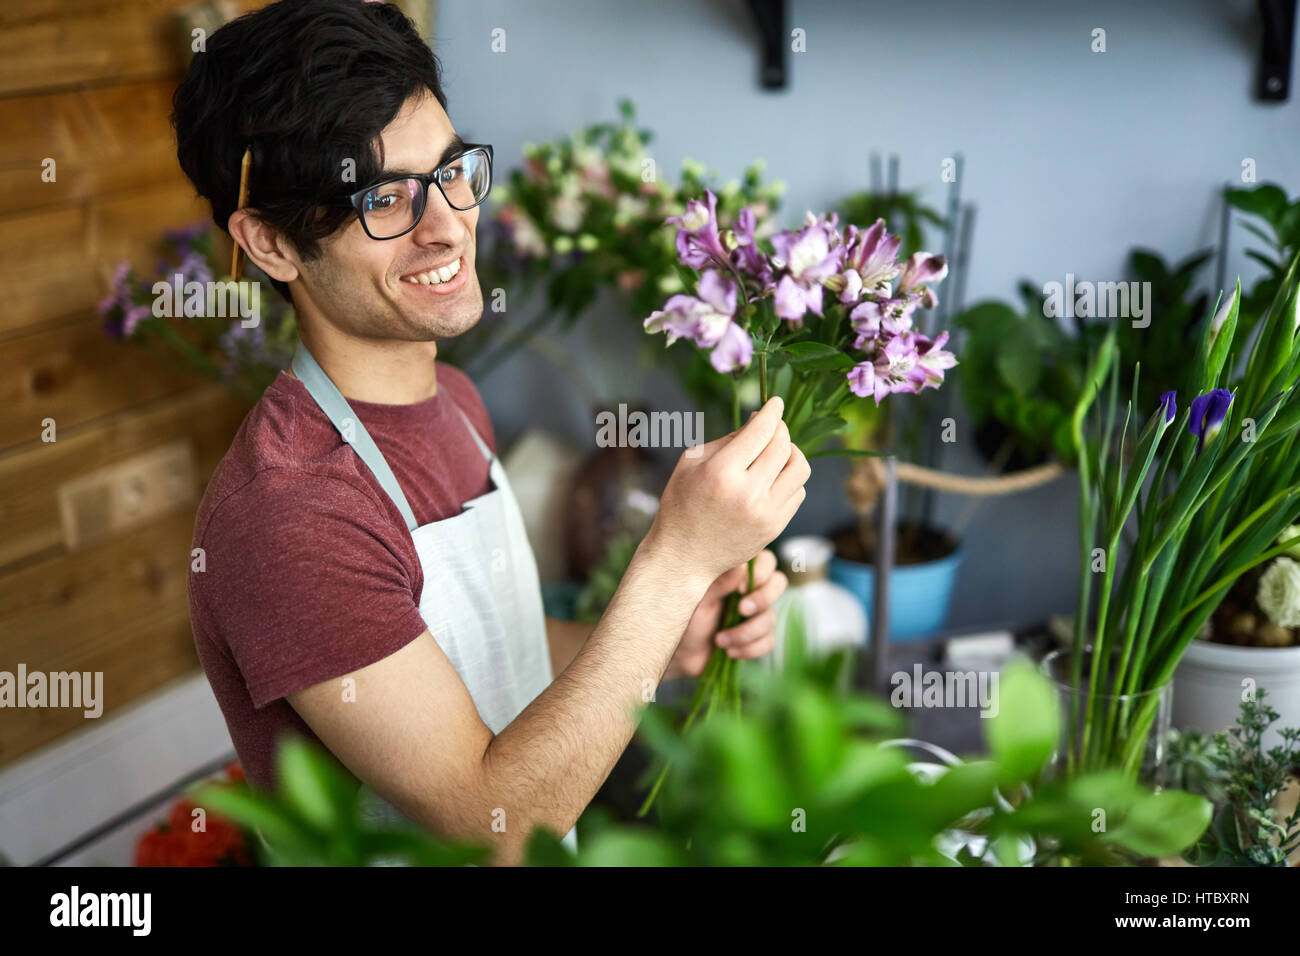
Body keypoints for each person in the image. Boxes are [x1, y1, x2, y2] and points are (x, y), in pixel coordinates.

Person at [174, 0, 808, 865]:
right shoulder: (288, 514)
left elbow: (491, 647)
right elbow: (493, 828)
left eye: (450, 171)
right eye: (383, 198)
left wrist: (669, 634)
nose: (446, 225)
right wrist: (675, 560)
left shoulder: (457, 402)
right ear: (273, 245)